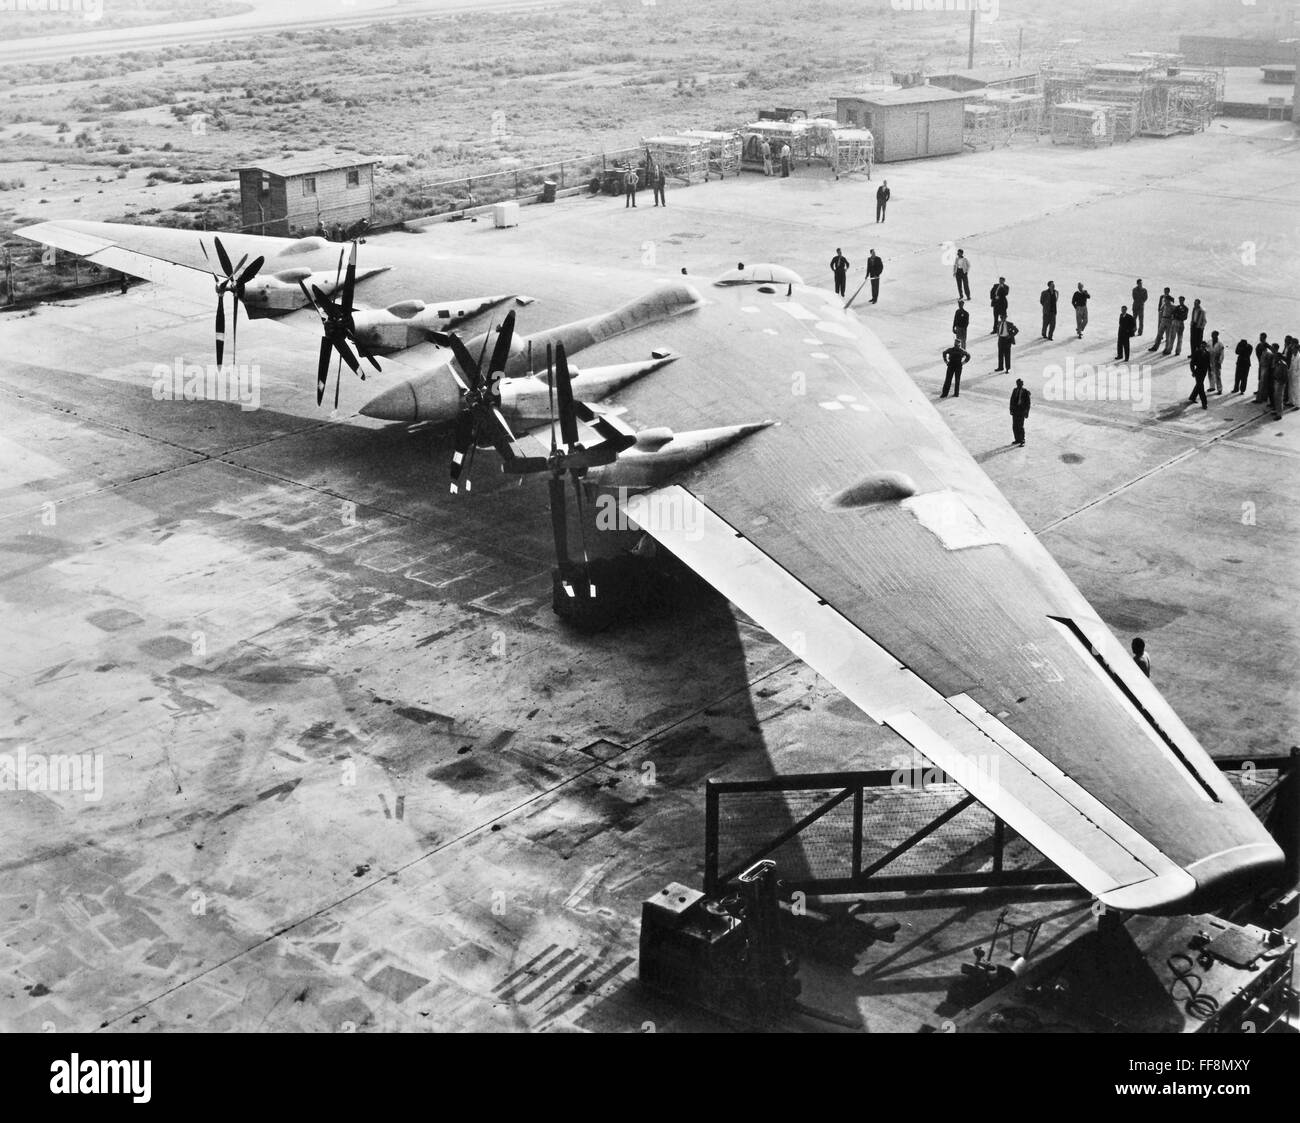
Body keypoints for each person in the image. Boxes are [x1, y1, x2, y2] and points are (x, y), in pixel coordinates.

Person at [1148, 287, 1173, 352]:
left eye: (1166, 300)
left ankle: (1167, 349)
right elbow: (1160, 309)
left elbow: (1174, 314)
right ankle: (1155, 347)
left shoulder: (1172, 306)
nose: (1165, 301)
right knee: (1159, 334)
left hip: (1168, 321)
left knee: (1168, 336)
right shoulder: (1164, 304)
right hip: (1163, 319)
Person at [1188, 340, 1210, 409]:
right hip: (1198, 372)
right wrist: (1193, 372)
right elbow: (1192, 363)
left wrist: (1210, 370)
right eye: (1202, 346)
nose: (1203, 347)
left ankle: (1192, 397)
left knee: (1198, 385)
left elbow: (1208, 363)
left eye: (1204, 346)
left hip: (1204, 373)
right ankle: (1204, 403)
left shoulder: (1207, 353)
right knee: (1201, 387)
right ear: (1200, 346)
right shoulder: (1196, 353)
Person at [1010, 379, 1031, 446]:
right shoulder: (1015, 390)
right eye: (1018, 384)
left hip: (1021, 411)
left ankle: (1022, 440)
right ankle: (1017, 439)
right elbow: (1011, 400)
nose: (1018, 385)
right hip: (1015, 411)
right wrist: (1011, 409)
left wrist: (1027, 412)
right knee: (1014, 426)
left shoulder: (1025, 392)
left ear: (1022, 384)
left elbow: (1028, 403)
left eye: (1020, 384)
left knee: (1020, 426)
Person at [1209, 330, 1224, 394]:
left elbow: (1222, 354)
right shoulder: (1209, 342)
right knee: (1210, 374)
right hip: (1210, 360)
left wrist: (1220, 361)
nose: (1213, 336)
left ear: (1217, 336)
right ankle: (1212, 386)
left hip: (1216, 360)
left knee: (1217, 375)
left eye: (1214, 335)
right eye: (1212, 335)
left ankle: (1219, 389)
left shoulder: (1220, 344)